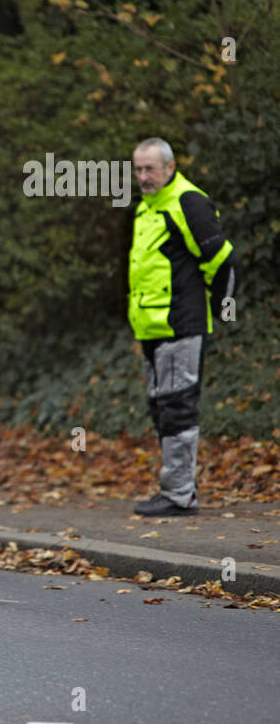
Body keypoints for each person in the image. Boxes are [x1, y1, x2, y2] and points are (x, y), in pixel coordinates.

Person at [127, 137, 240, 517]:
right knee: (162, 410)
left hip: (180, 324)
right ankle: (178, 489)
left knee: (177, 410)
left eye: (150, 169)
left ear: (170, 168)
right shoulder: (147, 209)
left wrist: (221, 314)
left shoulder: (187, 202)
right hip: (151, 329)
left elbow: (222, 260)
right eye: (138, 169)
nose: (144, 176)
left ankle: (179, 495)